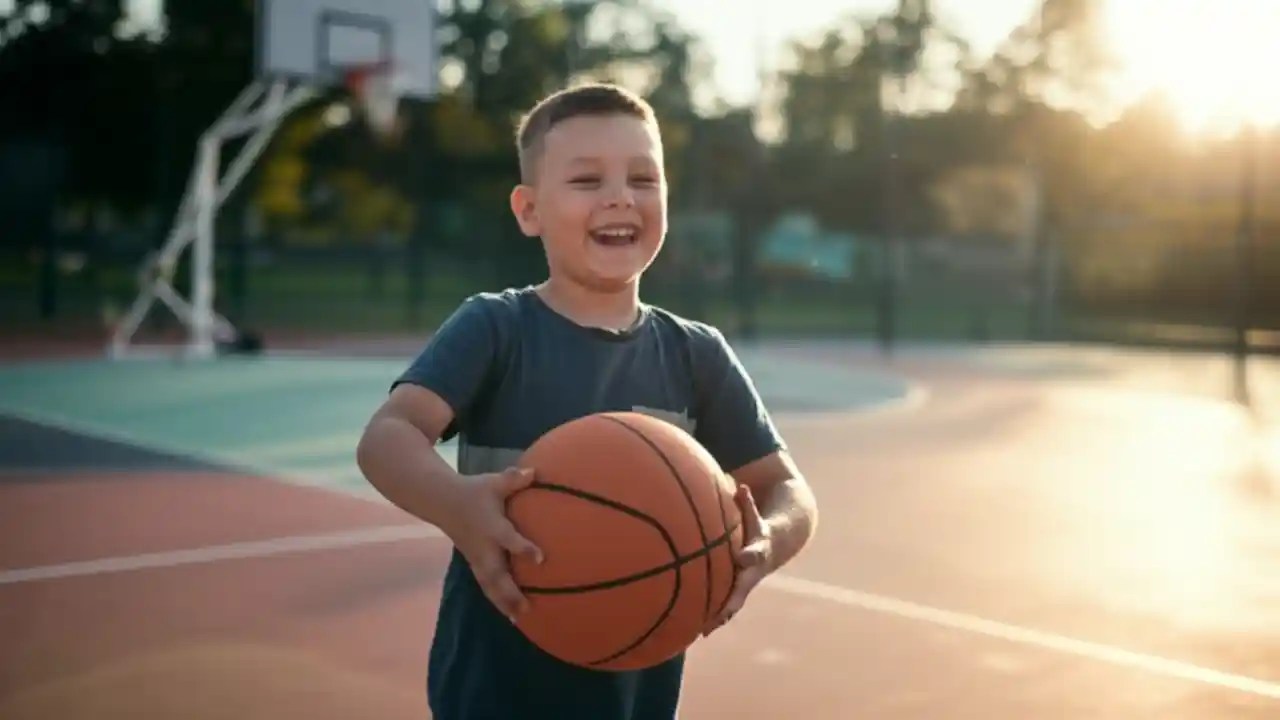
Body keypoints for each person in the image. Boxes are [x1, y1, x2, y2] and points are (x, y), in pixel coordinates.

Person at [356, 82, 819, 720]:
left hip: (637, 693)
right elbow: (387, 437)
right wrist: (457, 504)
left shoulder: (696, 355)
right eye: (586, 180)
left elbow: (787, 488)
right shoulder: (497, 328)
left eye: (643, 178)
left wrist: (767, 539)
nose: (620, 197)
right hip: (492, 691)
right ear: (528, 210)